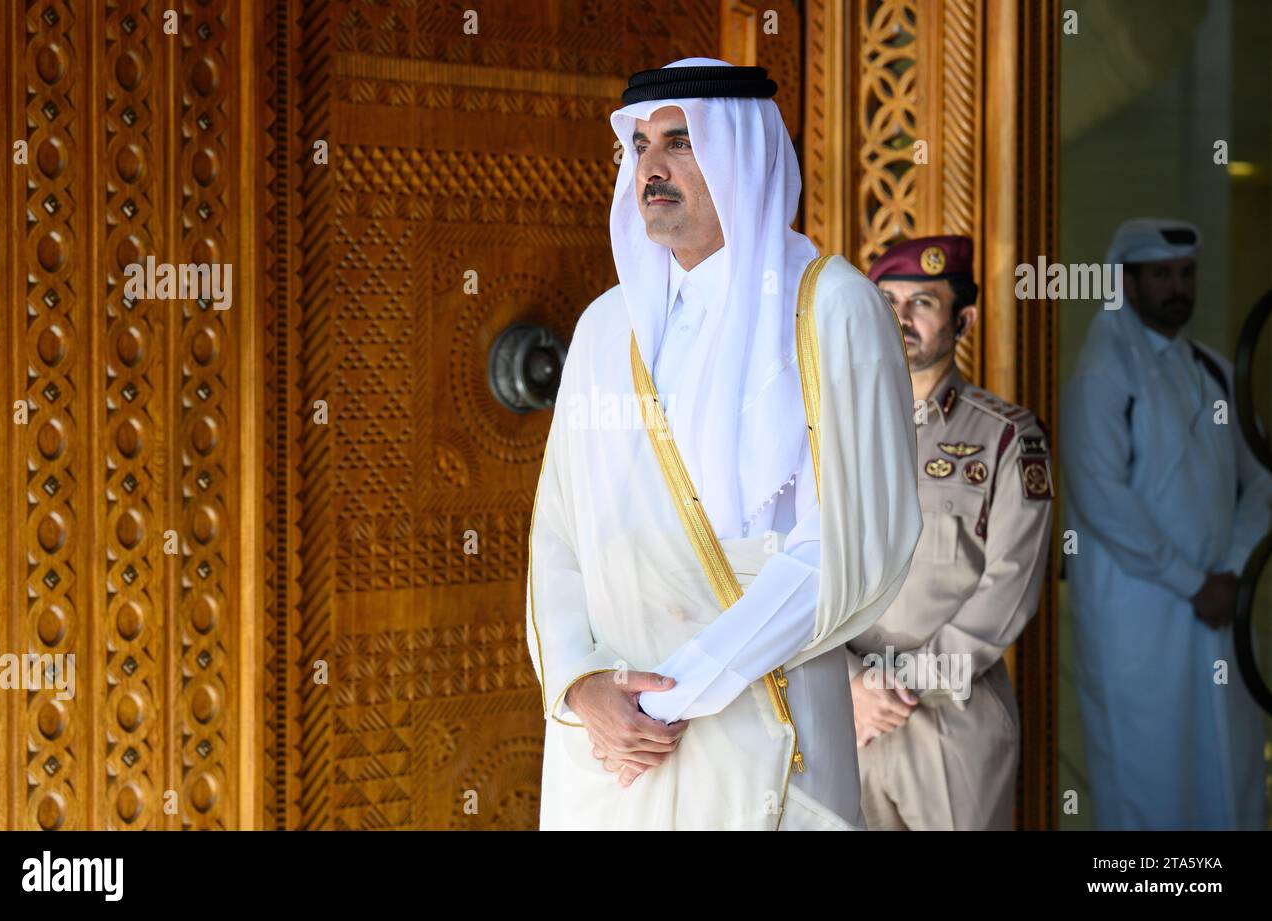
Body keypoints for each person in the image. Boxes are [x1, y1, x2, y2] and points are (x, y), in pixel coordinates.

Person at [524, 58, 922, 830]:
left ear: (743, 151)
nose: (653, 169)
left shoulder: (834, 309)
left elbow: (843, 546)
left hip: (756, 719)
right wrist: (583, 687)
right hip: (614, 748)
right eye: (639, 147)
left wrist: (680, 688)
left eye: (680, 142)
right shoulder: (607, 327)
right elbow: (559, 535)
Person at [1063, 217, 1272, 829]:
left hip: (1217, 606)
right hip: (1141, 617)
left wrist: (1230, 572)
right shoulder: (1100, 378)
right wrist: (1191, 581)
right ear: (1126, 283)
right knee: (1146, 775)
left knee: (1228, 766)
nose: (1177, 287)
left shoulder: (1210, 369)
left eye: (1185, 274)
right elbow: (1104, 502)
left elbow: (1259, 480)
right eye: (1160, 275)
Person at [845, 236, 1054, 830]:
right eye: (889, 300)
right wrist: (851, 683)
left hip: (949, 717)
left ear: (962, 319)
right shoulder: (831, 431)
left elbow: (1009, 589)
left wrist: (898, 685)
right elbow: (797, 567)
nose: (902, 318)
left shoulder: (1009, 438)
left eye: (923, 303)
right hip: (847, 715)